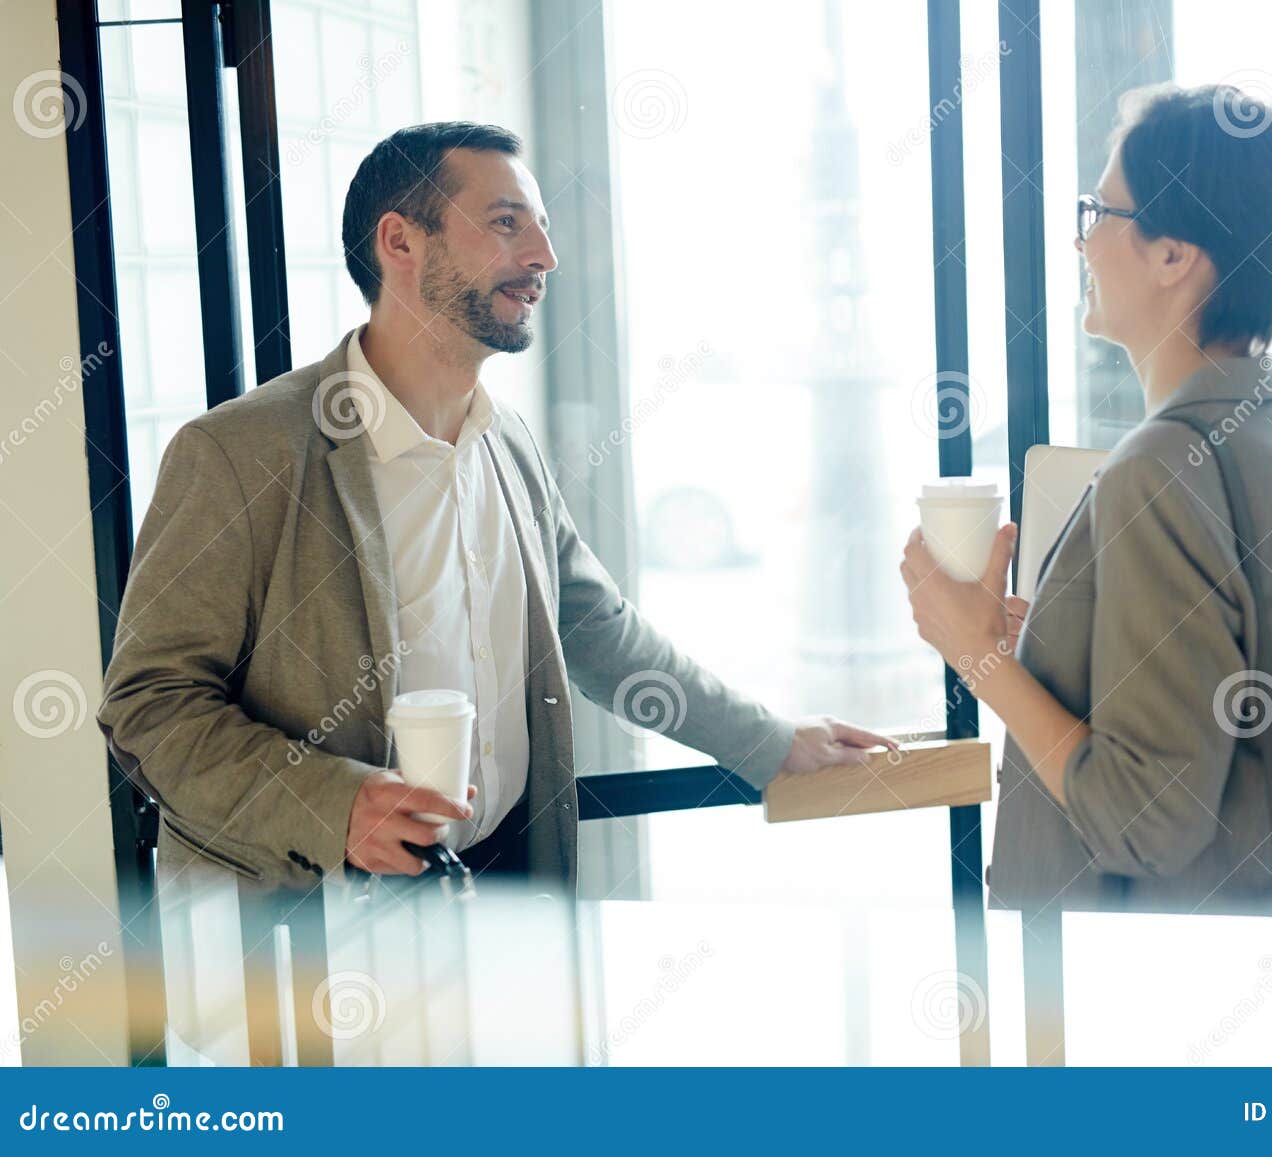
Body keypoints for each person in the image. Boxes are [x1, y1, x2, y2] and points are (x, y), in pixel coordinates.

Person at [98, 120, 896, 895]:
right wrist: (335, 805)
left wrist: (769, 740)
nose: (544, 257)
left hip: (509, 883)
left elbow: (598, 630)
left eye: (541, 230)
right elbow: (148, 704)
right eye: (507, 225)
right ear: (400, 242)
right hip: (317, 921)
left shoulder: (507, 440)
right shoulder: (241, 453)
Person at [901, 83, 1272, 920]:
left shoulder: (1161, 469)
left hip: (1178, 1000)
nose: (1083, 243)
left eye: (1100, 213)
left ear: (1172, 255)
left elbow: (1145, 818)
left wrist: (976, 655)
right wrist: (1061, 646)